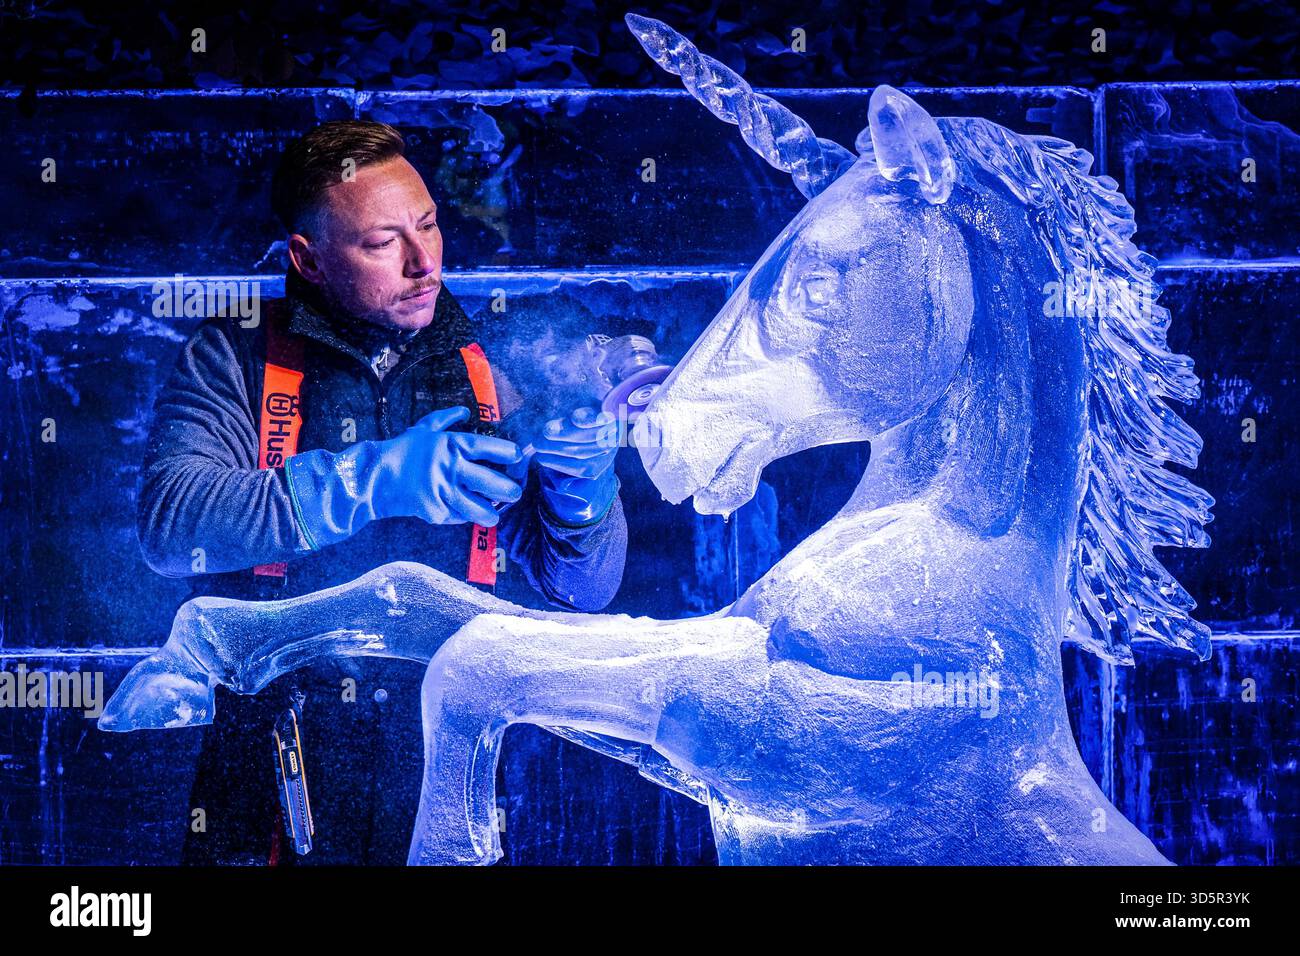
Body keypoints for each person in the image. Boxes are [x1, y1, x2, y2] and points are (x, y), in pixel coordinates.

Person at [135, 120, 628, 864]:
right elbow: (173, 527)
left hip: (450, 763)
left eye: (428, 225)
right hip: (272, 769)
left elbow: (583, 589)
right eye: (381, 242)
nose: (423, 263)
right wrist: (368, 482)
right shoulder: (237, 355)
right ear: (310, 258)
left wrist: (583, 485)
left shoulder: (498, 366)